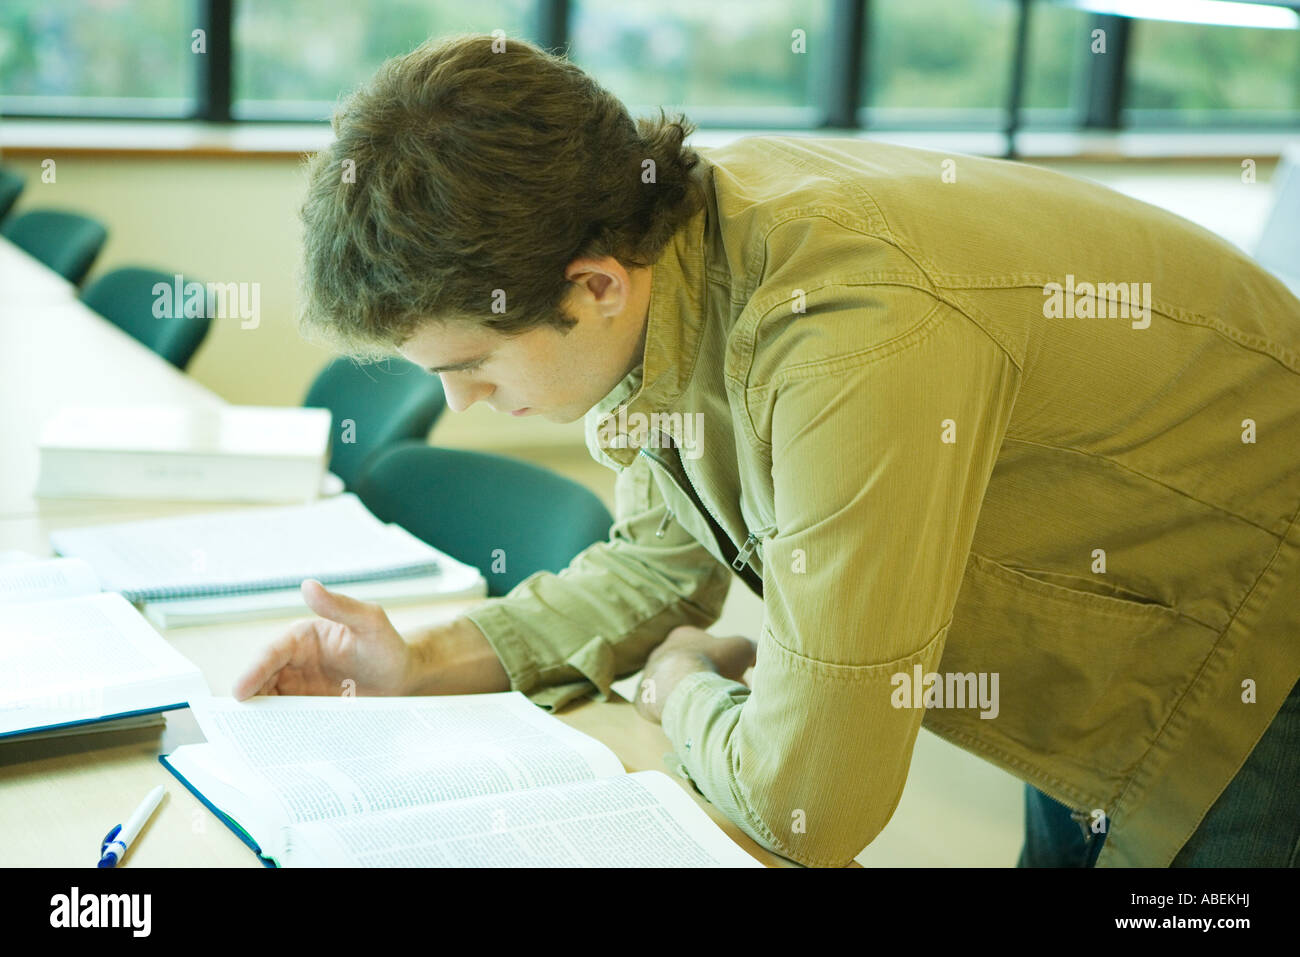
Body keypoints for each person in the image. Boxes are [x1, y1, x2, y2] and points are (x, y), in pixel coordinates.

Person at [234, 33, 1300, 868]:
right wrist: (417, 662)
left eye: (467, 364)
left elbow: (811, 808)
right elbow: (659, 560)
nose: (461, 403)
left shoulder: (849, 337)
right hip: (1109, 629)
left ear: (592, 284)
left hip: (1252, 646)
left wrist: (682, 684)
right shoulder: (679, 244)